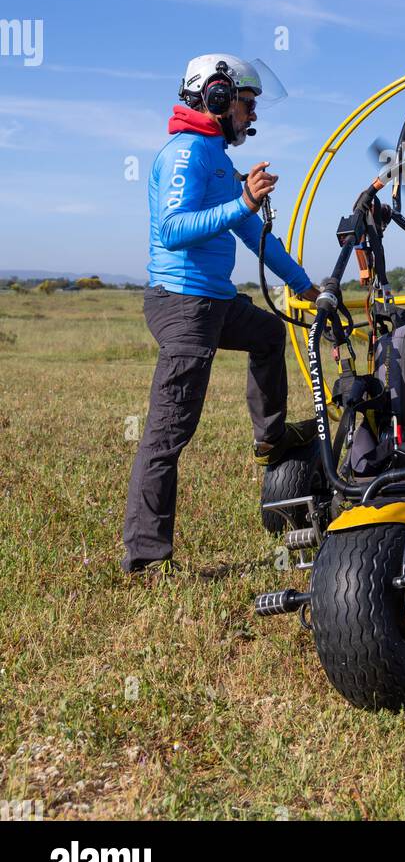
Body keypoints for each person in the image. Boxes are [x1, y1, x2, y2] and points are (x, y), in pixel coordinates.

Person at [121, 53, 319, 576]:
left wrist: (304, 284)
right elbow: (174, 230)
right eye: (247, 104)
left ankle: (270, 437)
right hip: (185, 306)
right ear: (216, 97)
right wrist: (243, 203)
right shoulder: (187, 152)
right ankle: (145, 558)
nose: (252, 117)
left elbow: (252, 235)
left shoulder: (212, 152)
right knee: (167, 436)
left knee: (269, 333)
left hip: (211, 300)